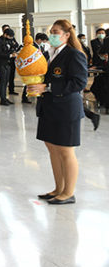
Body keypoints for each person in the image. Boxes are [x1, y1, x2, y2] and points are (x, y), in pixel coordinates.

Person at [27, 19, 88, 205]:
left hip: (66, 108)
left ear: (67, 35)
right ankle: (58, 188)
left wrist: (48, 87)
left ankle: (68, 192)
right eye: (51, 32)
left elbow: (79, 82)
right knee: (52, 148)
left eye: (55, 32)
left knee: (66, 151)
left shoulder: (73, 54)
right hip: (49, 107)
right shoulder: (48, 53)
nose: (52, 35)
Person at [0, 28, 16, 105]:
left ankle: (5, 97)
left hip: (7, 63)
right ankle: (2, 99)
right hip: (1, 63)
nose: (11, 39)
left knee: (6, 81)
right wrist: (10, 55)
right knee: (2, 81)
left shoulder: (7, 40)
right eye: (10, 37)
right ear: (5, 34)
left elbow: (10, 47)